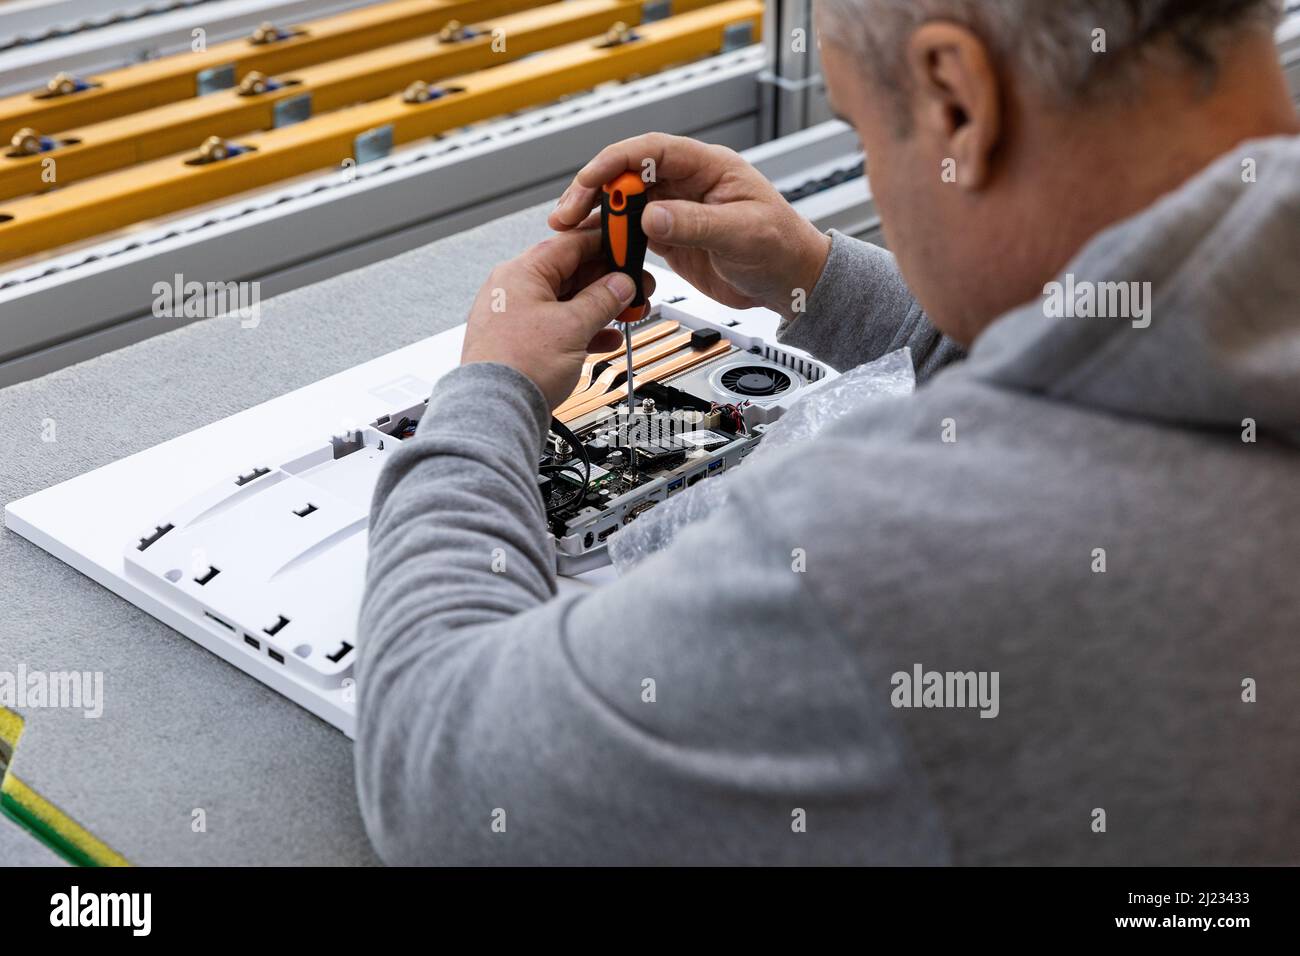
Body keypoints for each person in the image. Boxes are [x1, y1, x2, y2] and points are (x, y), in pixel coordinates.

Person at [354, 0, 1300, 864]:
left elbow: (439, 775)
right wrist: (815, 278)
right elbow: (1118, 353)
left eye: (861, 128)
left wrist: (490, 387)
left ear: (956, 101)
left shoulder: (892, 555)